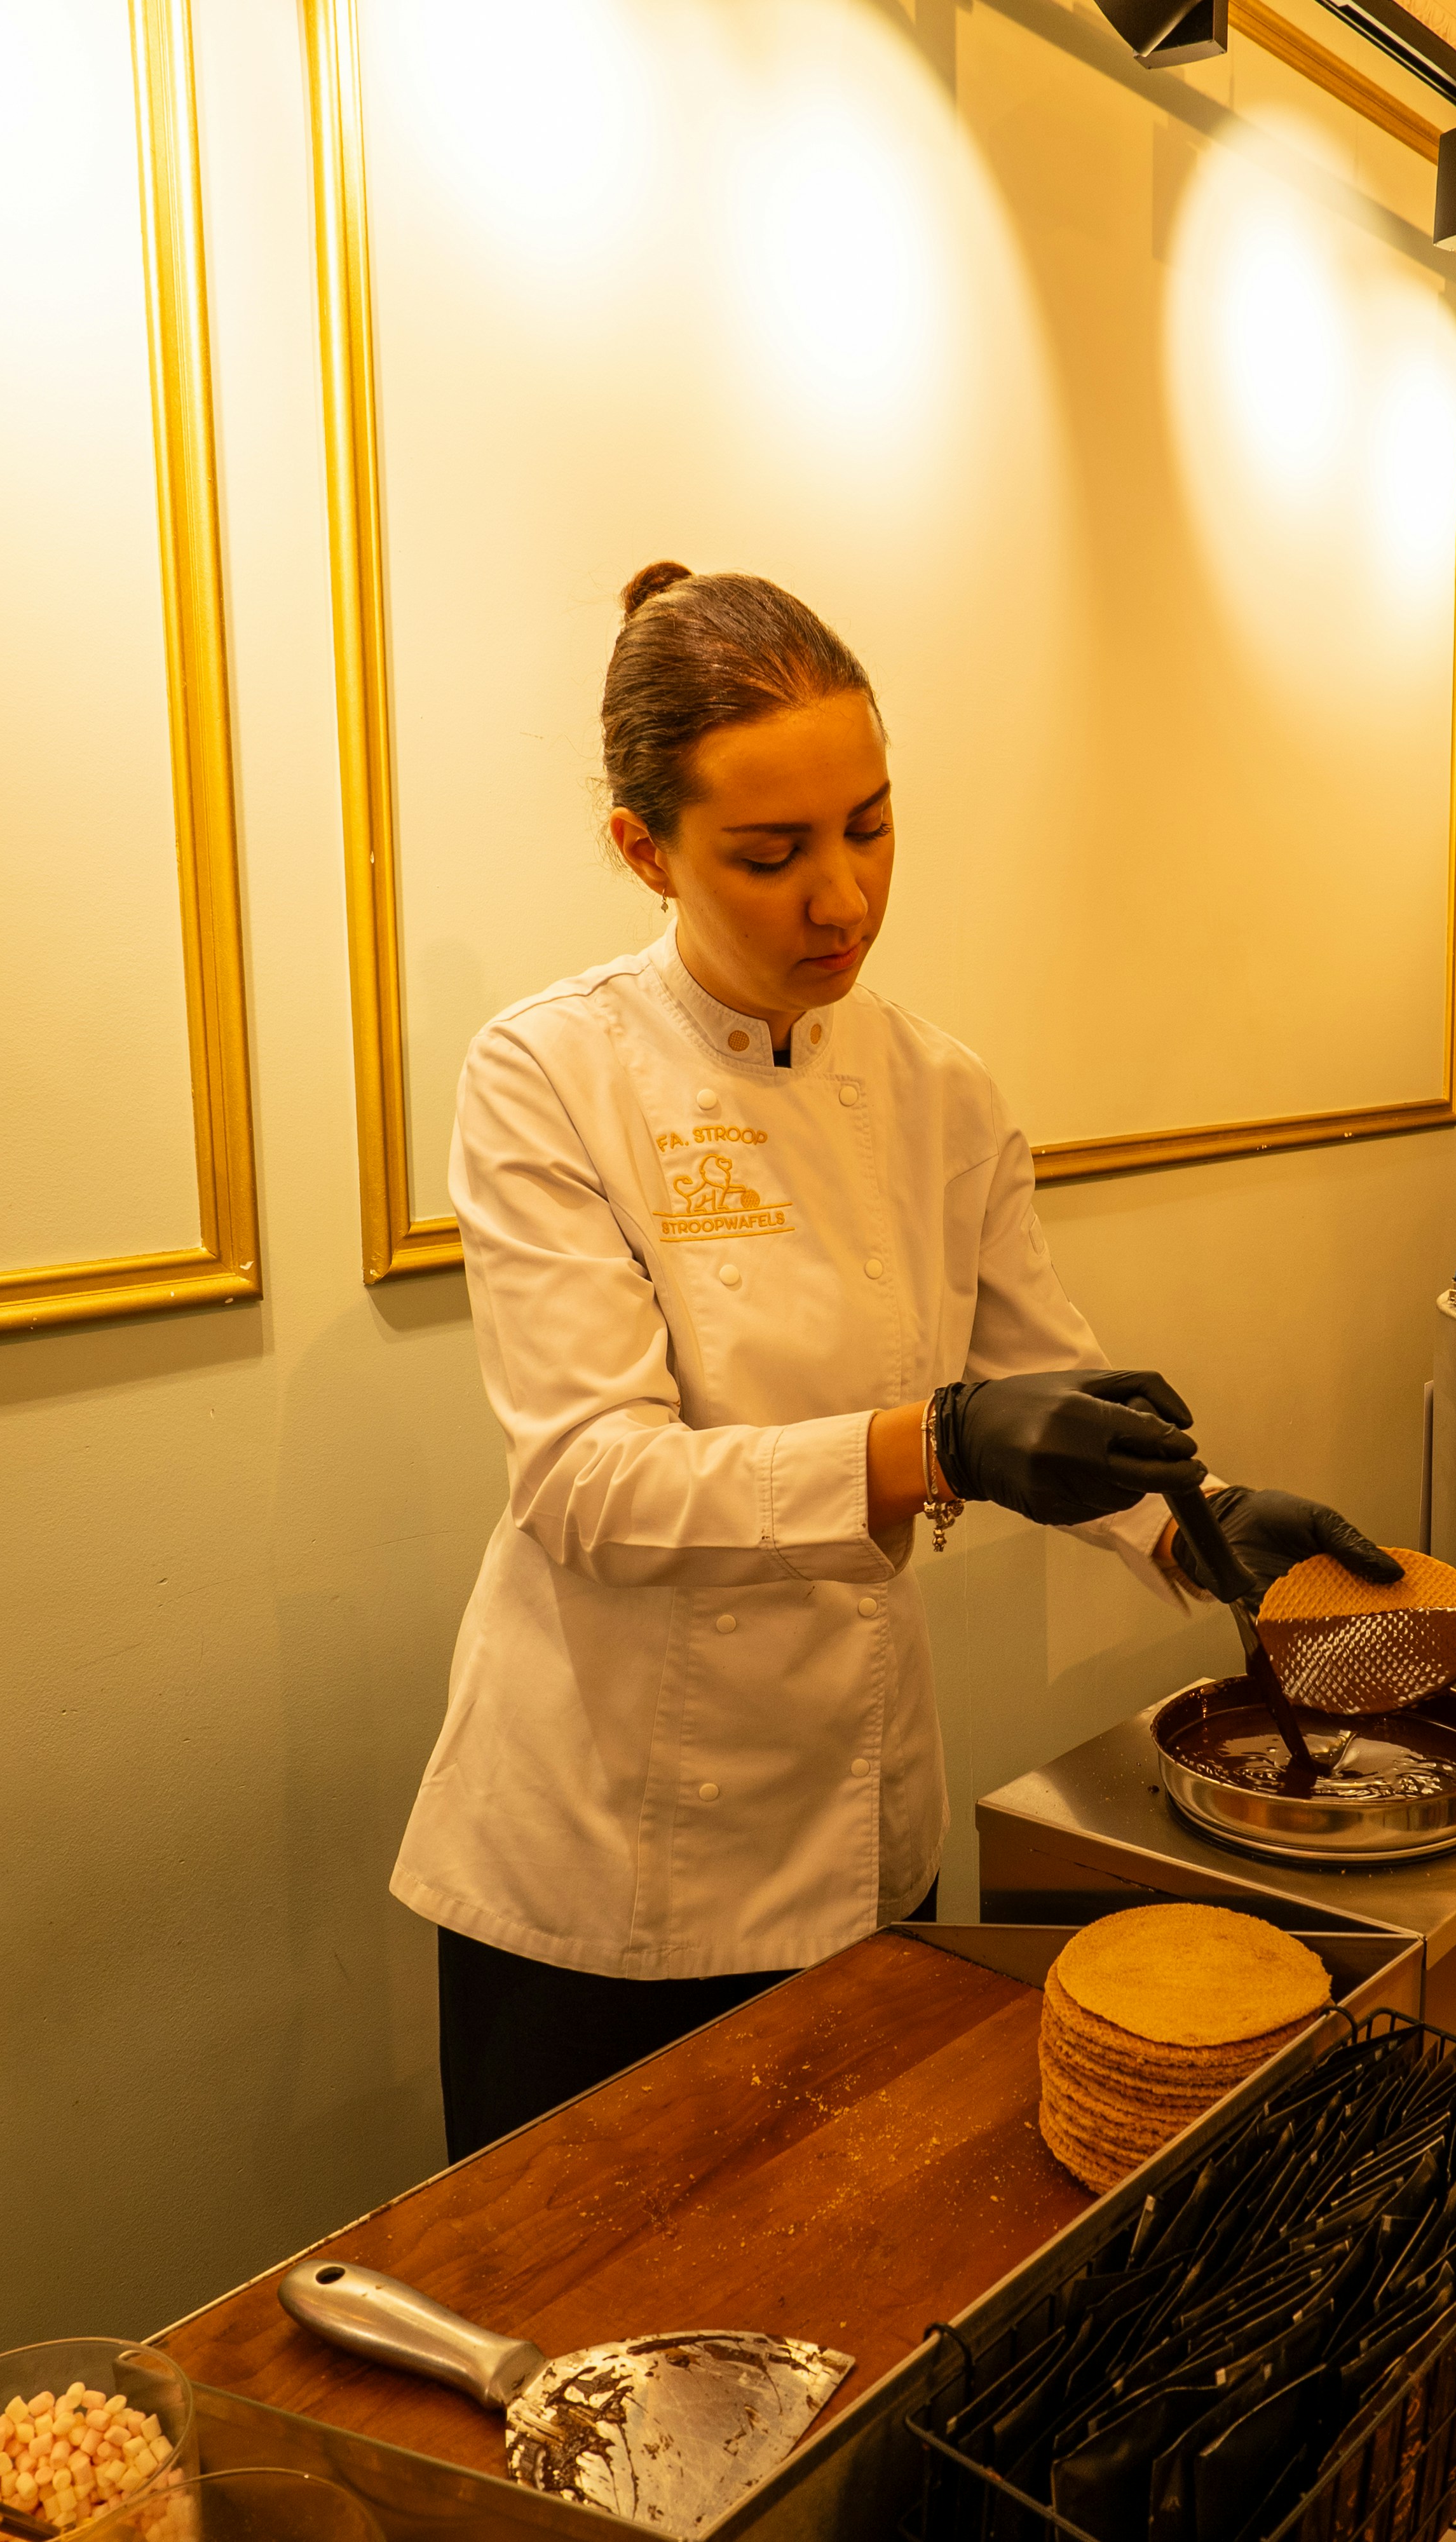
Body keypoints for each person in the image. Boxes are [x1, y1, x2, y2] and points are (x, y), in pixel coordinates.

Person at [393, 561, 1397, 2161]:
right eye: (773, 854)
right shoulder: (548, 1074)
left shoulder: (941, 1089)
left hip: (859, 1824)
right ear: (642, 850)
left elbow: (1038, 1387)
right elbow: (591, 1482)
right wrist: (929, 1443)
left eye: (869, 826)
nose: (843, 898)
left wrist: (1192, 1518)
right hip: (606, 1865)